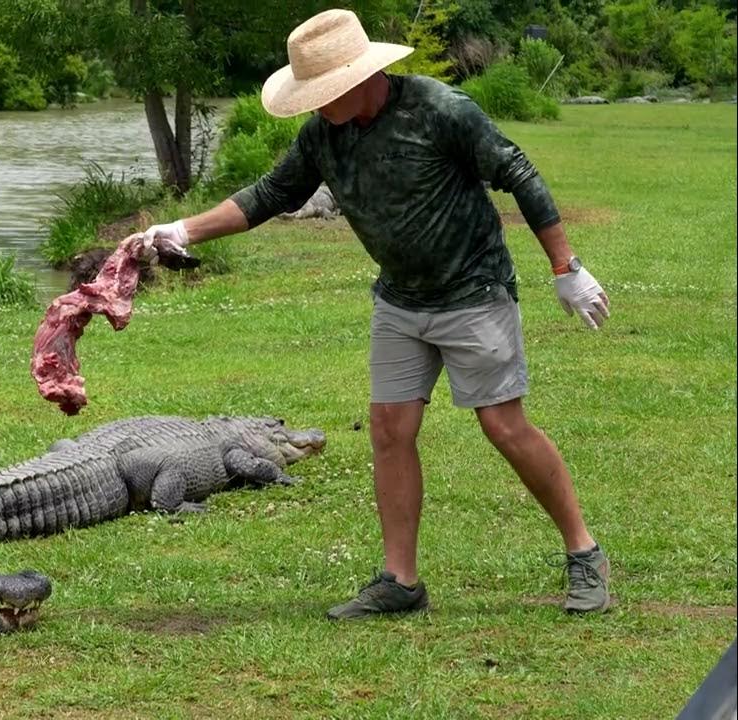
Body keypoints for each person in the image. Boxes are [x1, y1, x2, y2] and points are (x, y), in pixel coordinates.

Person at [139, 8, 611, 619]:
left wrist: (565, 269)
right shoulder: (322, 134)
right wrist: (183, 229)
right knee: (389, 431)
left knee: (504, 427)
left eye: (325, 92)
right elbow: (270, 196)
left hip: (472, 293)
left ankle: (584, 553)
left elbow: (519, 173)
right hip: (400, 301)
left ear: (362, 77)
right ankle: (400, 581)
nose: (317, 105)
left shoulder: (442, 111)